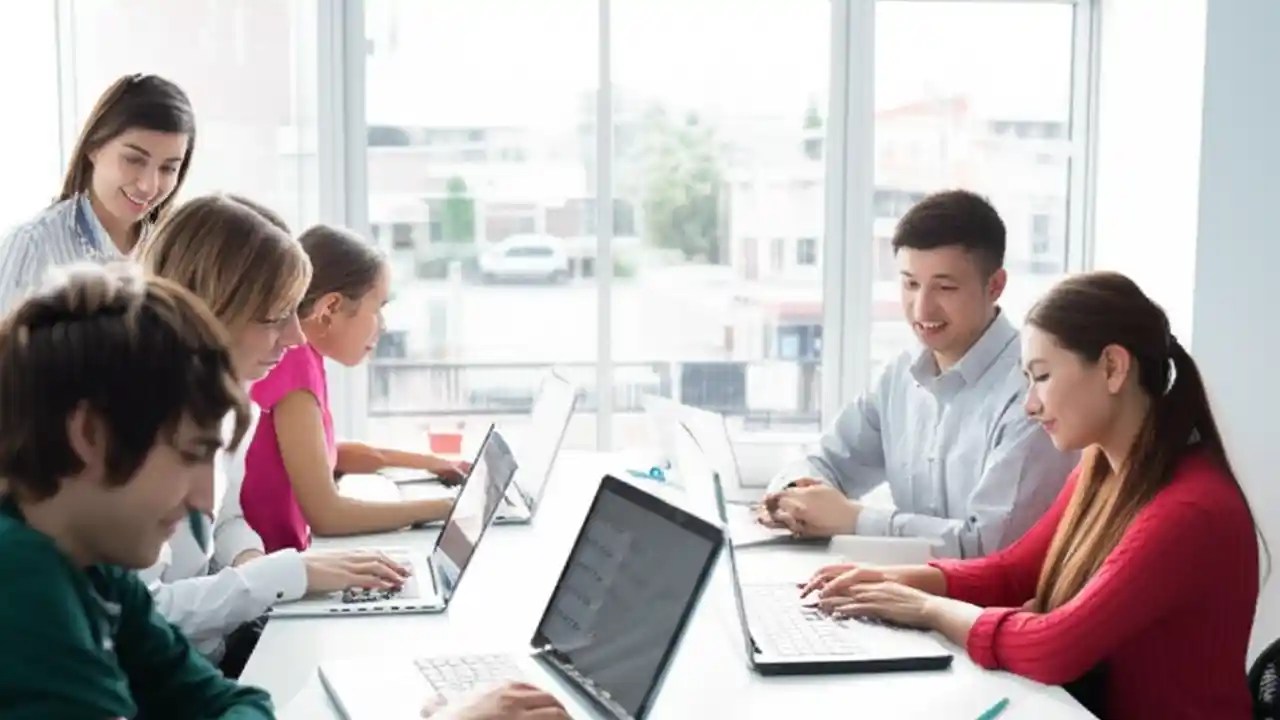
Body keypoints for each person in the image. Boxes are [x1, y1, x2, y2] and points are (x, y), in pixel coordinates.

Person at [801, 271, 1262, 719]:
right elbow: (1015, 572)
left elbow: (1053, 646)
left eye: (1041, 377)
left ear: (1112, 367)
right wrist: (891, 580)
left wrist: (927, 609)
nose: (1030, 404)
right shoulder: (1103, 470)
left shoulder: (1191, 510)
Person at [134, 194, 408, 675]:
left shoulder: (227, 404)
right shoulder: (131, 435)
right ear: (211, 310)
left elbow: (224, 520)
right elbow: (138, 615)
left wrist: (257, 567)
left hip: (206, 662)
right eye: (274, 318)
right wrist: (285, 576)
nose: (296, 338)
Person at [0, 262, 272, 717]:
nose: (204, 502)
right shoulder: (18, 576)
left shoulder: (93, 568)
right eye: (189, 454)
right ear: (90, 433)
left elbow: (232, 701)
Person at [757, 190, 1078, 557]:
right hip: (902, 593)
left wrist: (854, 519)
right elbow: (825, 461)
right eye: (910, 284)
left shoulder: (1033, 393)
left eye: (945, 287)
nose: (922, 307)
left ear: (995, 285)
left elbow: (992, 547)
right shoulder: (901, 374)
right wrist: (797, 497)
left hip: (982, 609)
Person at [243, 223, 463, 553]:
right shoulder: (292, 363)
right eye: (378, 308)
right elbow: (327, 515)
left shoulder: (302, 357)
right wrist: (447, 509)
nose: (384, 325)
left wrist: (432, 462)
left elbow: (333, 453)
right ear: (330, 308)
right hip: (277, 569)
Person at [0, 73, 194, 314]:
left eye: (168, 168)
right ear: (94, 146)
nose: (148, 186)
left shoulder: (180, 252)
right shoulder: (32, 247)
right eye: (134, 159)